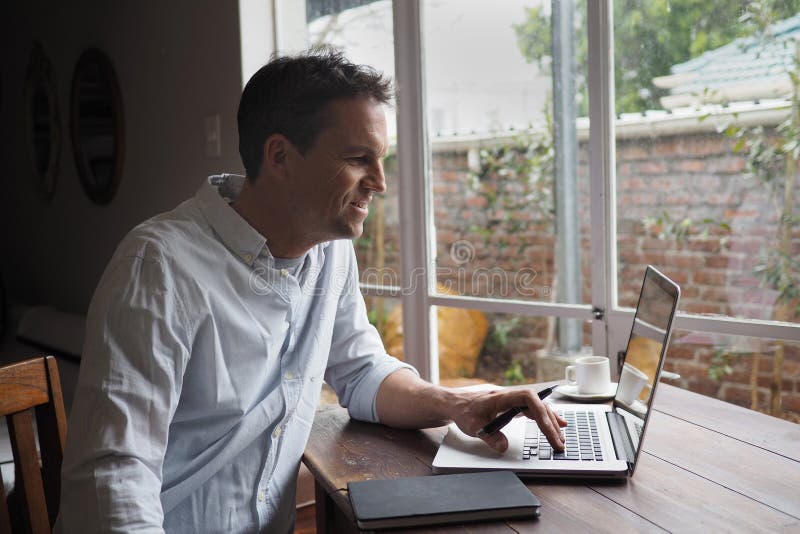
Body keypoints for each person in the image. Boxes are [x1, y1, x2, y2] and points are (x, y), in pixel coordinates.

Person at [56, 48, 566, 533]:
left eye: (380, 159)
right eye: (359, 158)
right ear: (280, 156)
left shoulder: (329, 251)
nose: (380, 182)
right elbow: (113, 480)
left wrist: (459, 404)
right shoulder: (157, 268)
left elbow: (362, 371)